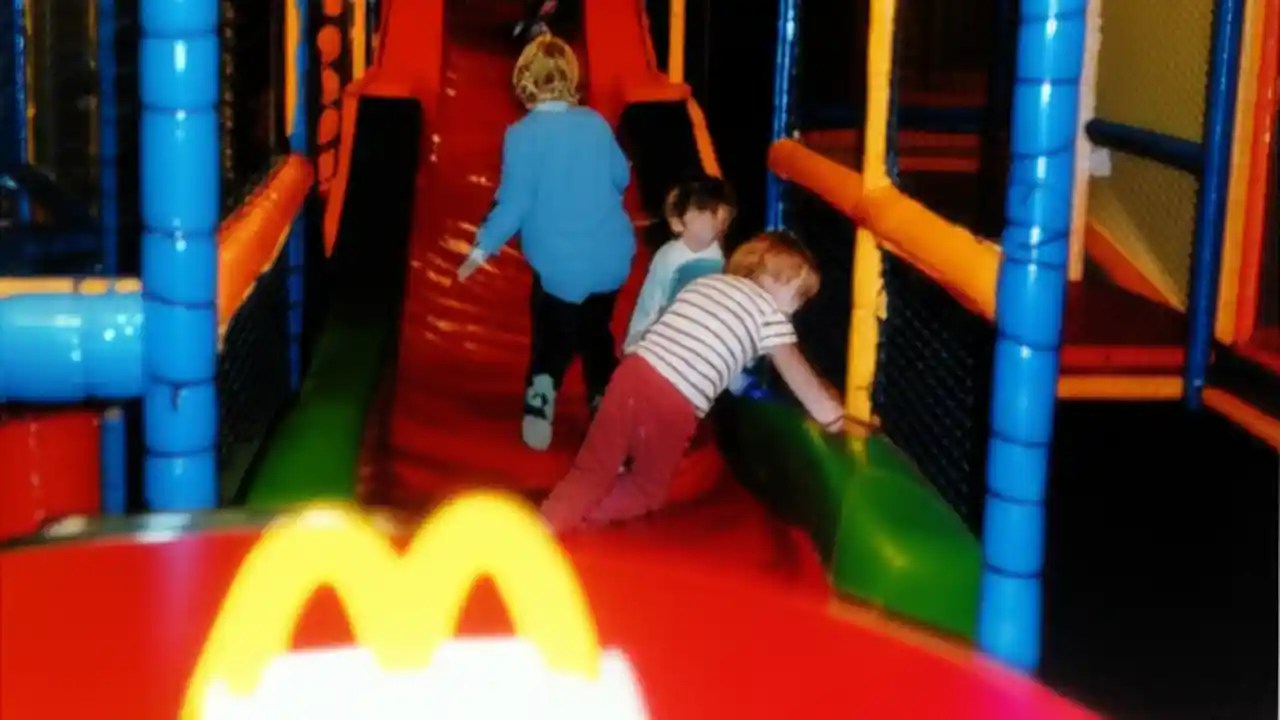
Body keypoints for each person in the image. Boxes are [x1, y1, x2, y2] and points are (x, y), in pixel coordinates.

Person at [540, 231, 869, 531]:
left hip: (633, 373)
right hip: (673, 402)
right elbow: (798, 374)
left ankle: (545, 524)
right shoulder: (769, 315)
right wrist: (833, 416)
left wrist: (735, 382)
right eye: (799, 296)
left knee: (593, 469)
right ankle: (586, 519)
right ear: (776, 275)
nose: (796, 309)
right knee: (646, 489)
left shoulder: (707, 284)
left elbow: (703, 342)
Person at [456, 35, 635, 452]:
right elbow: (620, 179)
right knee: (596, 334)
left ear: (523, 82)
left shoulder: (521, 135)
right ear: (572, 78)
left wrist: (481, 250)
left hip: (559, 268)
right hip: (610, 258)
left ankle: (541, 394)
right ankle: (605, 405)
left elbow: (514, 203)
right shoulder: (594, 123)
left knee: (551, 331)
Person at [622, 177, 736, 352]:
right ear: (678, 223)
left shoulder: (715, 257)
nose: (716, 221)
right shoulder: (669, 256)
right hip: (658, 334)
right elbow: (654, 299)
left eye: (722, 216)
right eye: (704, 213)